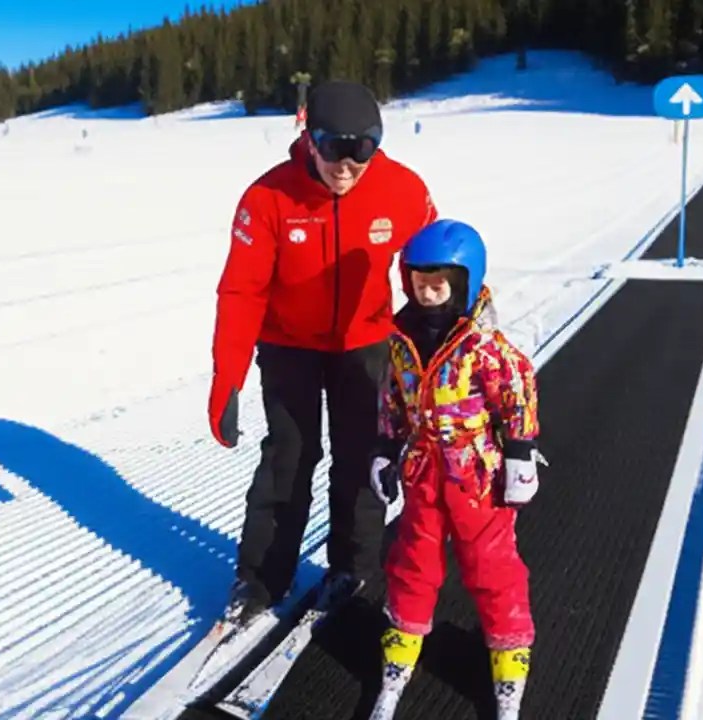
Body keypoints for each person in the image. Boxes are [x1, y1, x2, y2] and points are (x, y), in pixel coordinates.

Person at [208, 80, 438, 623]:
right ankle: (261, 579)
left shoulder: (401, 189)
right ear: (309, 138)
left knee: (362, 458)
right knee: (289, 456)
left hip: (366, 343)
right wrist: (227, 378)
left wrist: (441, 336)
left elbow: (432, 265)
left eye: (362, 149)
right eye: (333, 146)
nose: (346, 164)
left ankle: (352, 568)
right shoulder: (267, 198)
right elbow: (241, 292)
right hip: (289, 345)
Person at [365, 219, 544, 720]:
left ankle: (508, 654)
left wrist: (520, 449)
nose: (427, 295)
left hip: (477, 475)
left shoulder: (483, 345)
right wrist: (385, 445)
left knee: (491, 565)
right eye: (418, 284)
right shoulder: (403, 341)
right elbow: (394, 398)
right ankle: (400, 648)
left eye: (439, 285)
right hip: (424, 472)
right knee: (413, 559)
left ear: (464, 283)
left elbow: (517, 389)